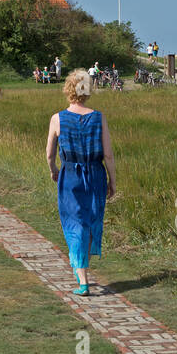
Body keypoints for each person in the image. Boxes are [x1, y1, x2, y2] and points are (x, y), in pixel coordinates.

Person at [46, 70, 116, 297]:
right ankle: (81, 268)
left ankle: (82, 278)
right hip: (96, 174)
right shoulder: (99, 117)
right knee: (89, 221)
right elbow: (108, 155)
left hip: (70, 175)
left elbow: (49, 154)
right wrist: (112, 181)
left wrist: (53, 170)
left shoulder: (57, 118)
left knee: (75, 223)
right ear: (87, 89)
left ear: (68, 89)